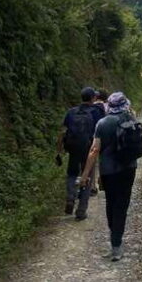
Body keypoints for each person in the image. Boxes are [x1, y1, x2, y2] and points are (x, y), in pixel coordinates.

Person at [80, 91, 138, 261]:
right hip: (129, 169)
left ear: (109, 106)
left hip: (108, 171)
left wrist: (85, 175)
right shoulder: (131, 119)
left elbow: (94, 150)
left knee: (111, 204)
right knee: (122, 205)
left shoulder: (102, 123)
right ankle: (116, 244)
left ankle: (115, 240)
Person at [56, 87, 105, 220]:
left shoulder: (71, 111)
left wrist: (59, 150)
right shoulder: (97, 112)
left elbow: (62, 132)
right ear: (93, 98)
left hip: (72, 148)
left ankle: (71, 196)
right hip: (88, 148)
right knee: (87, 176)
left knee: (72, 173)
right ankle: (81, 211)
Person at [90, 89, 109, 195]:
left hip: (90, 137)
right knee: (103, 160)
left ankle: (91, 186)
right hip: (104, 137)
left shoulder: (90, 107)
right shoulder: (107, 107)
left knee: (92, 160)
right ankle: (103, 181)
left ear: (95, 97)